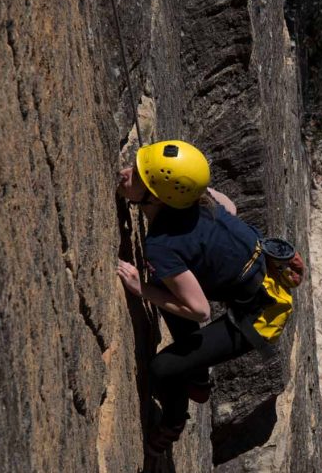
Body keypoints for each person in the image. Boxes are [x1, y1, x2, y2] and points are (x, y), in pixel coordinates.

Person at [115, 140, 293, 456]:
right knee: (167, 283)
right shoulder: (202, 200)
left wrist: (141, 289)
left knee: (162, 368)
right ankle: (197, 375)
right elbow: (230, 208)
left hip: (257, 318)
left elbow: (199, 311)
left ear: (157, 197)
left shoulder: (162, 245)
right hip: (257, 281)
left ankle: (172, 422)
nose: (124, 173)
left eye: (138, 177)